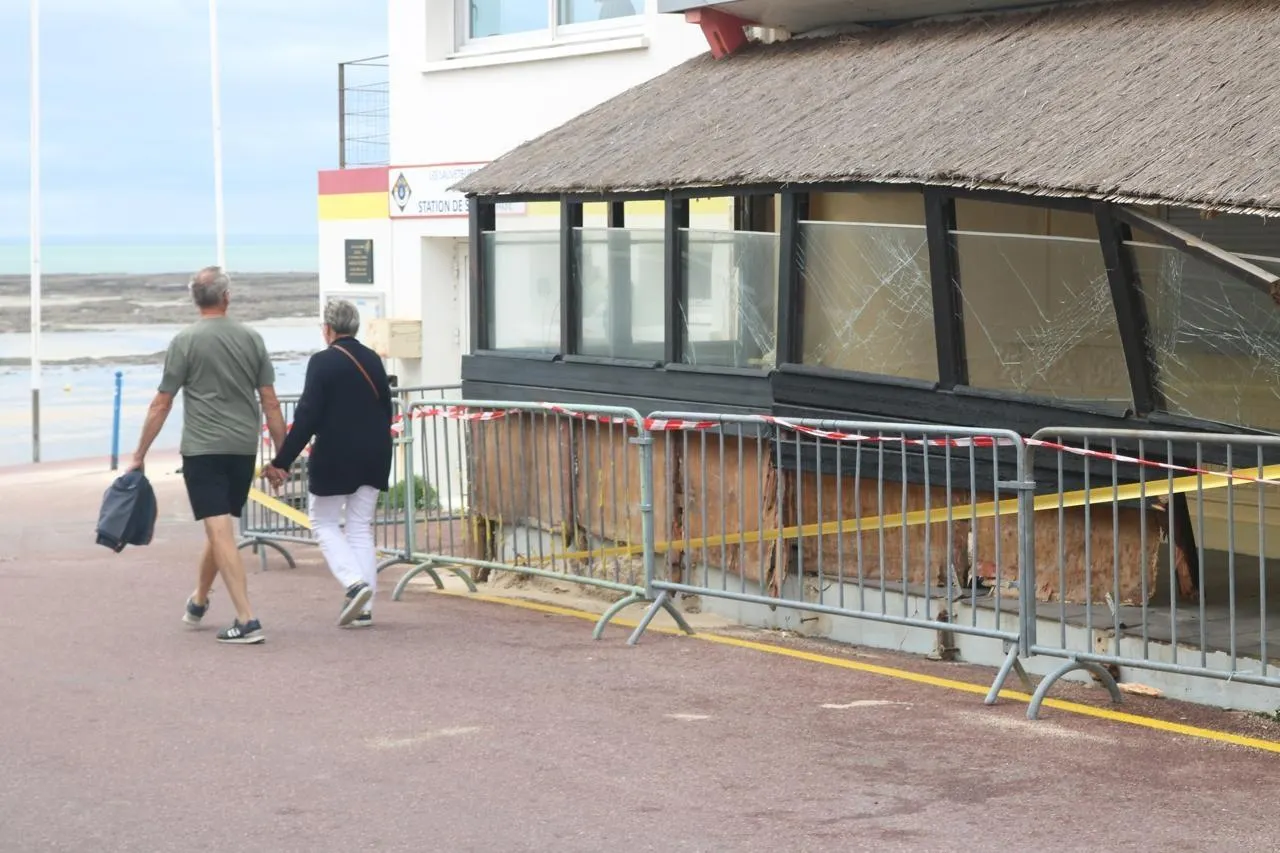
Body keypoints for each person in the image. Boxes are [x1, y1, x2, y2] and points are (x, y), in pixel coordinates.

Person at [130, 266, 286, 645]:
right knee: (219, 531)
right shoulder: (252, 338)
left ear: (194, 300)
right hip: (241, 449)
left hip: (203, 449)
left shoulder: (184, 341)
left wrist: (139, 454)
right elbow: (270, 402)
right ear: (227, 297)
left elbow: (161, 403)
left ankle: (247, 620)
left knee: (218, 530)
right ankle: (199, 600)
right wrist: (282, 456)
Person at [263, 299, 393, 628]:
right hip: (376, 453)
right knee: (360, 527)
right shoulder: (373, 359)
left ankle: (354, 584)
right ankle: (364, 608)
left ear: (328, 329)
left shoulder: (322, 362)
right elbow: (385, 411)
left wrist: (281, 461)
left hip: (336, 454)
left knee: (323, 522)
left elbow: (307, 417)